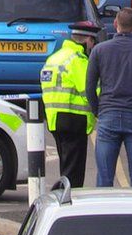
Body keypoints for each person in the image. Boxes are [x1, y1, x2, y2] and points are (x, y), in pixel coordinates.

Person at [86, 8, 132, 187]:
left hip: (108, 116)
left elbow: (89, 87)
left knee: (104, 179)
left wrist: (98, 112)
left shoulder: (99, 50)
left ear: (115, 24)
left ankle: (104, 214)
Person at [40, 21, 101, 188]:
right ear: (88, 40)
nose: (93, 46)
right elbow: (90, 91)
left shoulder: (53, 58)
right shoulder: (78, 60)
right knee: (74, 174)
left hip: (55, 121)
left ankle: (63, 199)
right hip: (74, 120)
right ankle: (69, 204)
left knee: (66, 169)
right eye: (93, 41)